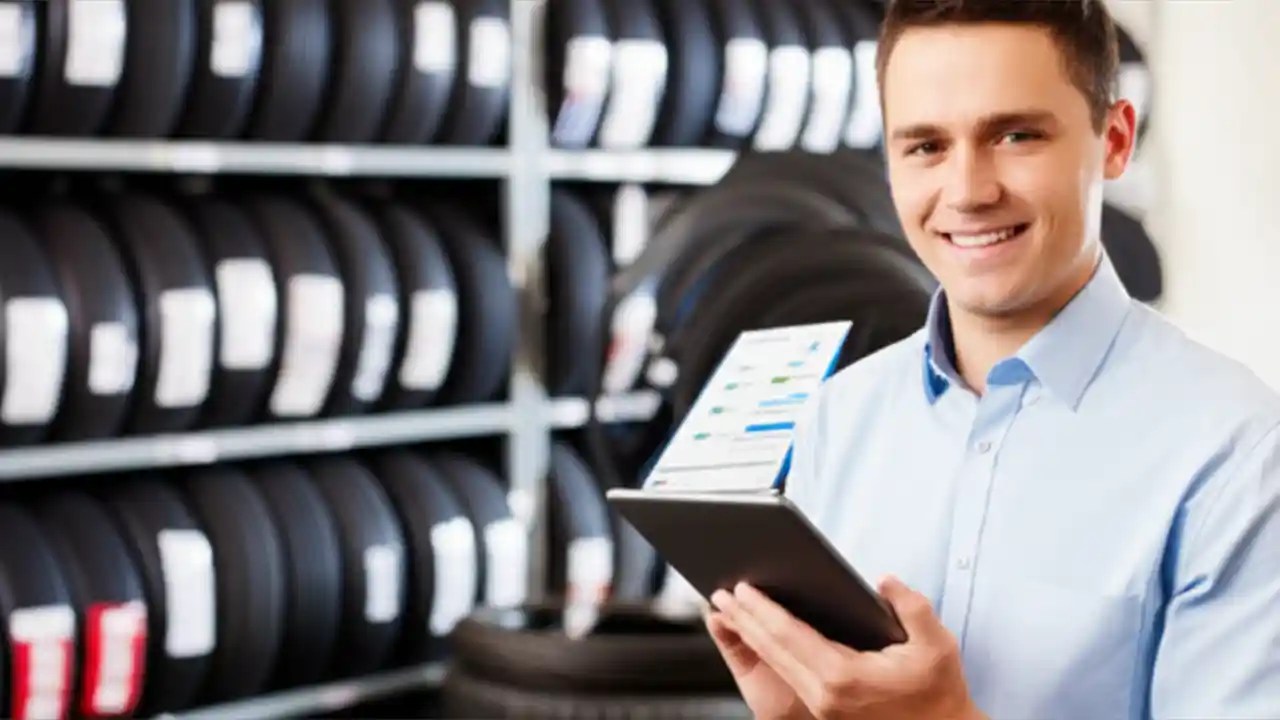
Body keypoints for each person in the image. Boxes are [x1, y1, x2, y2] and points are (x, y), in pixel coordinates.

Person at [702, 1, 1280, 719]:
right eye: (925, 147)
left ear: (1115, 140)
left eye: (1015, 135)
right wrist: (798, 712)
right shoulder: (840, 417)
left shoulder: (1239, 457)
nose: (969, 191)